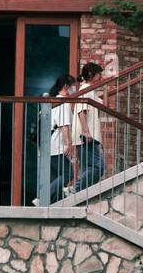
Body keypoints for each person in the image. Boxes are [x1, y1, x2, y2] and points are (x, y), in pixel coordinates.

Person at [73, 61, 106, 193]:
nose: (101, 77)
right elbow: (81, 111)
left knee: (88, 168)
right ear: (91, 75)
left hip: (89, 136)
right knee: (98, 167)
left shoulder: (91, 92)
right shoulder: (84, 90)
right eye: (99, 75)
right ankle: (76, 189)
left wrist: (104, 89)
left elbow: (104, 106)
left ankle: (80, 193)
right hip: (86, 136)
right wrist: (86, 132)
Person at [44, 73, 77, 204]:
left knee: (56, 177)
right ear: (66, 86)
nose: (74, 90)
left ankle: (53, 204)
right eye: (73, 87)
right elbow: (64, 126)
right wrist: (69, 144)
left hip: (49, 146)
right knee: (68, 174)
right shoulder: (62, 103)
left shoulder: (53, 101)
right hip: (58, 146)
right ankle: (43, 197)